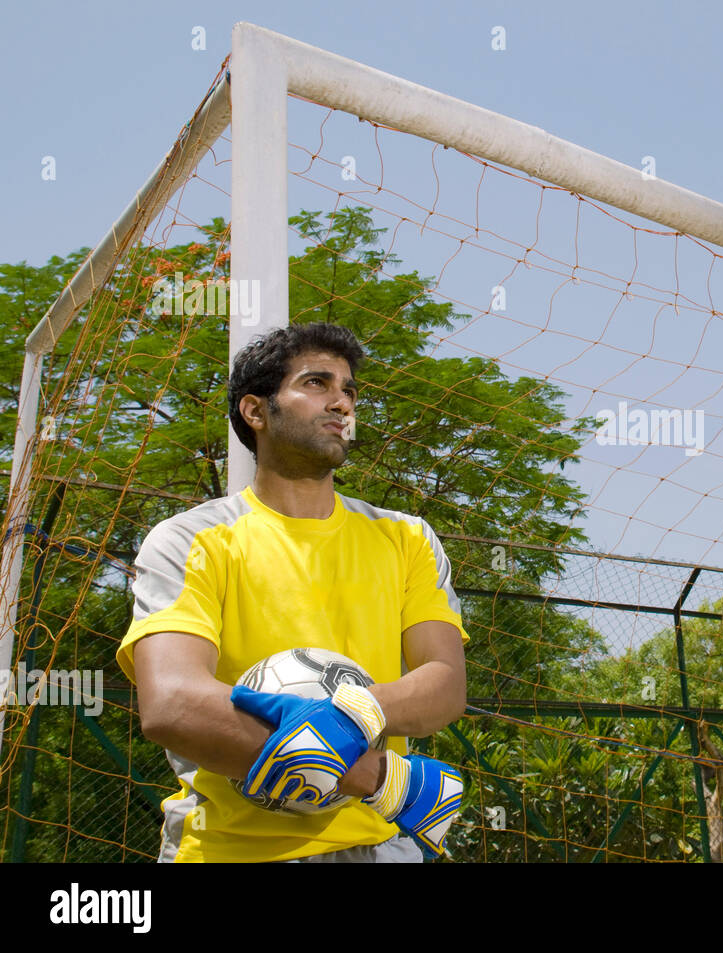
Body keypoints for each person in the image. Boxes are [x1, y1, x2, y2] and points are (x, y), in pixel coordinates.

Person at [116, 321, 467, 863]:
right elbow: (172, 704)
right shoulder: (188, 540)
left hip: (375, 846)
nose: (341, 403)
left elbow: (443, 684)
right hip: (227, 851)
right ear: (256, 412)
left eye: (349, 390)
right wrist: (377, 776)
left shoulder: (408, 538)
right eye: (316, 384)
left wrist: (356, 710)